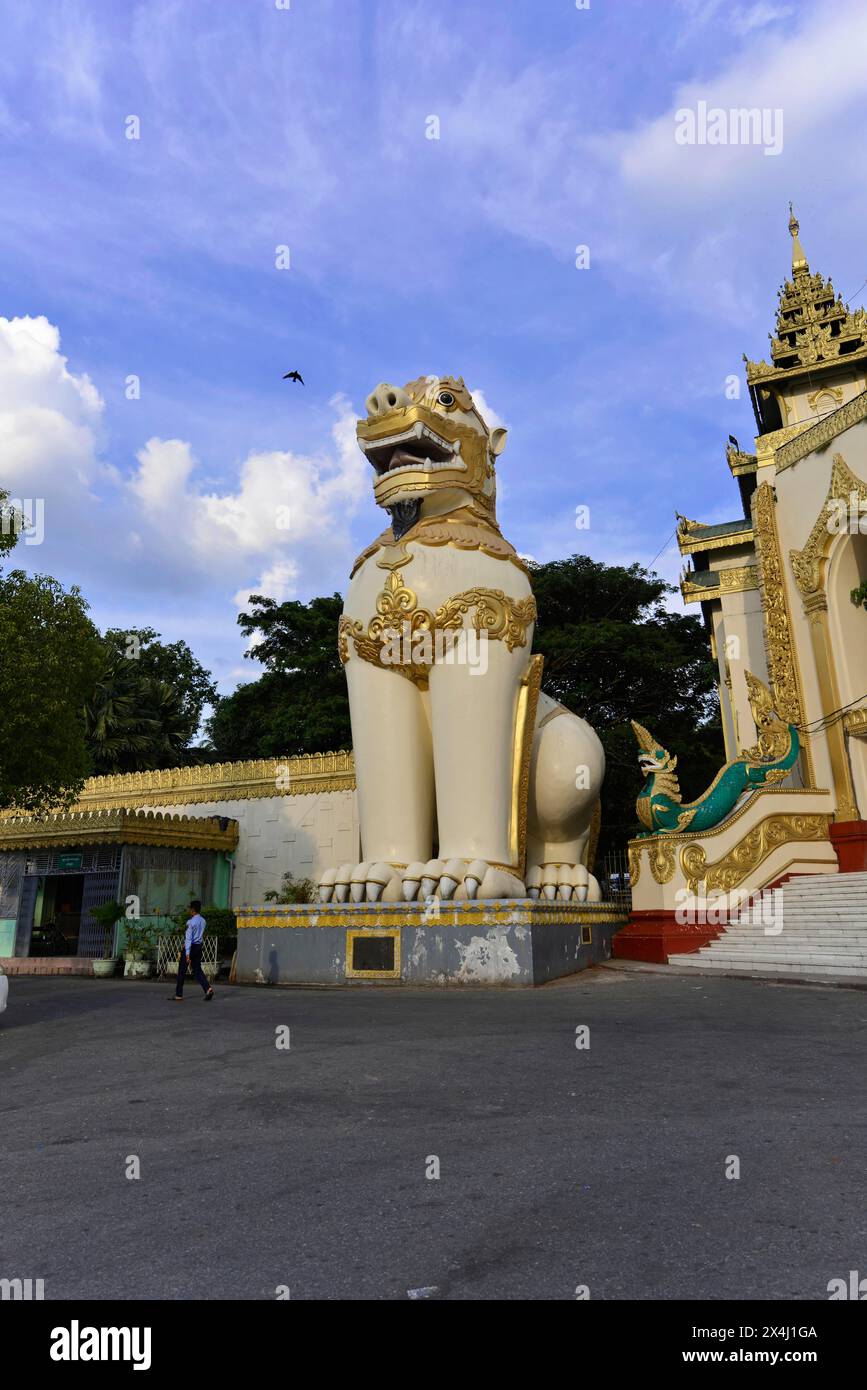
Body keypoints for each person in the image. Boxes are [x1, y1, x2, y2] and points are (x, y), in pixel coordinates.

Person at [170, 900, 214, 1002]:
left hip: (191, 947)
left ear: (192, 910)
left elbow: (189, 939)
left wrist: (187, 953)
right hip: (199, 946)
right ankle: (208, 988)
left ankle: (178, 994)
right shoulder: (203, 921)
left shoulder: (191, 923)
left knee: (182, 970)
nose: (189, 910)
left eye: (190, 908)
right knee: (197, 970)